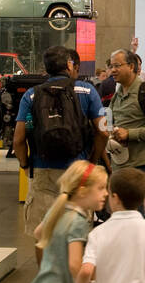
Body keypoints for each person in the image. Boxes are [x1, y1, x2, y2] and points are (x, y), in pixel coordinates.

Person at [13, 46, 108, 259]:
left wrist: (25, 164)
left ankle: (46, 278)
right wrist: (91, 161)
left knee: (43, 234)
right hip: (79, 172)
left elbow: (19, 138)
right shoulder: (88, 91)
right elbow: (103, 132)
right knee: (78, 233)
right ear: (69, 65)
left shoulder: (31, 95)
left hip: (43, 170)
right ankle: (75, 281)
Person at [108, 49, 145, 171]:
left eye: (117, 66)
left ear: (131, 66)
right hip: (118, 164)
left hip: (141, 165)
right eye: (111, 66)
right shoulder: (116, 95)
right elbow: (109, 122)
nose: (112, 70)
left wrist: (129, 134)